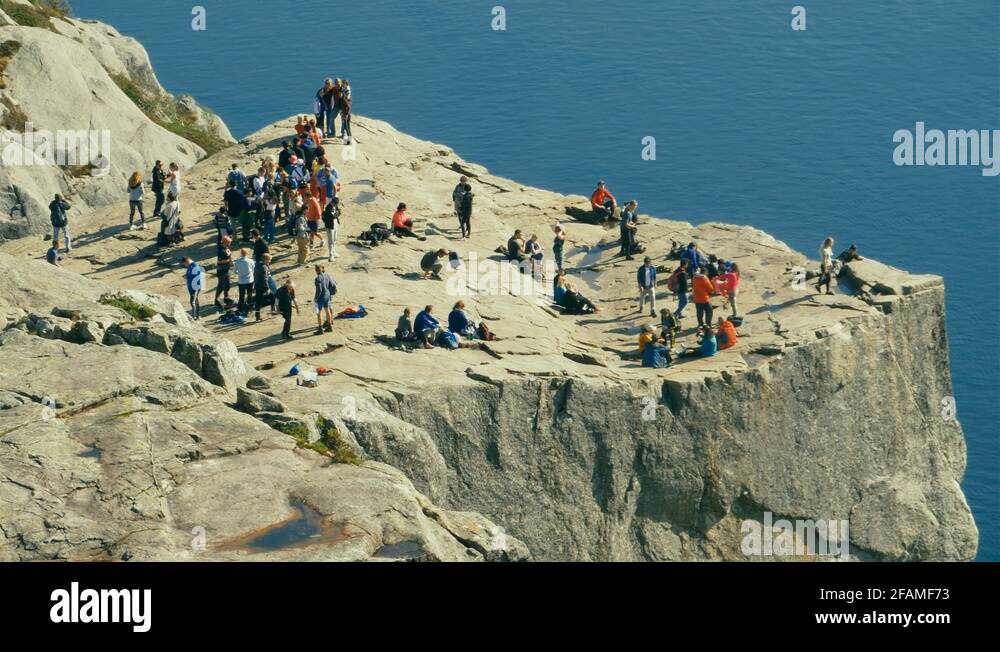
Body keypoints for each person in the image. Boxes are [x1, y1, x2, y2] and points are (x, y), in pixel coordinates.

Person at [313, 264, 337, 335]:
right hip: (327, 295)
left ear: (316, 271)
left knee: (318, 313)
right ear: (322, 269)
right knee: (327, 310)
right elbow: (332, 285)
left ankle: (320, 329)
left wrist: (315, 298)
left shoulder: (317, 279)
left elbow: (319, 290)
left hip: (321, 297)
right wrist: (331, 293)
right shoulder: (327, 275)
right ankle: (329, 326)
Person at [233, 248, 255, 315]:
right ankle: (250, 308)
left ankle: (241, 309)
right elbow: (253, 269)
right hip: (250, 280)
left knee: (241, 296)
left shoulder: (237, 261)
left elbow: (234, 271)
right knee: (250, 294)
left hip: (241, 281)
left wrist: (238, 272)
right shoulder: (251, 261)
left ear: (241, 253)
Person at [182, 256, 205, 320]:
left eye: (184, 264)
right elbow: (190, 275)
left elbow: (197, 277)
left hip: (195, 287)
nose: (185, 265)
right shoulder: (190, 266)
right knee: (195, 300)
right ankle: (197, 316)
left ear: (187, 261)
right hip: (191, 287)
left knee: (193, 301)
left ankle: (195, 317)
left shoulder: (195, 266)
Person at [214, 236, 233, 310]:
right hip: (221, 270)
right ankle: (216, 299)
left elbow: (229, 255)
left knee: (227, 284)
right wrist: (229, 261)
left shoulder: (227, 248)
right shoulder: (220, 250)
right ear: (225, 242)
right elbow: (219, 261)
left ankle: (226, 297)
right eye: (229, 242)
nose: (230, 243)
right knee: (221, 286)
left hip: (227, 269)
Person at [253, 252, 273, 322]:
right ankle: (272, 311)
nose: (270, 261)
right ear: (266, 259)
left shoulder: (257, 265)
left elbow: (255, 276)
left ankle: (257, 316)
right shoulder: (264, 267)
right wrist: (267, 288)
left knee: (258, 301)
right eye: (269, 260)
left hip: (257, 285)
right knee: (273, 296)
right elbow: (265, 278)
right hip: (263, 286)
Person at [322, 197, 341, 261]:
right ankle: (331, 255)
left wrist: (336, 214)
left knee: (334, 240)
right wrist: (336, 214)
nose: (336, 206)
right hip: (330, 226)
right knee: (331, 241)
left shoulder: (335, 206)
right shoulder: (328, 208)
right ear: (332, 202)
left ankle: (333, 252)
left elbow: (339, 211)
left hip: (335, 224)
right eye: (335, 204)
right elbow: (332, 216)